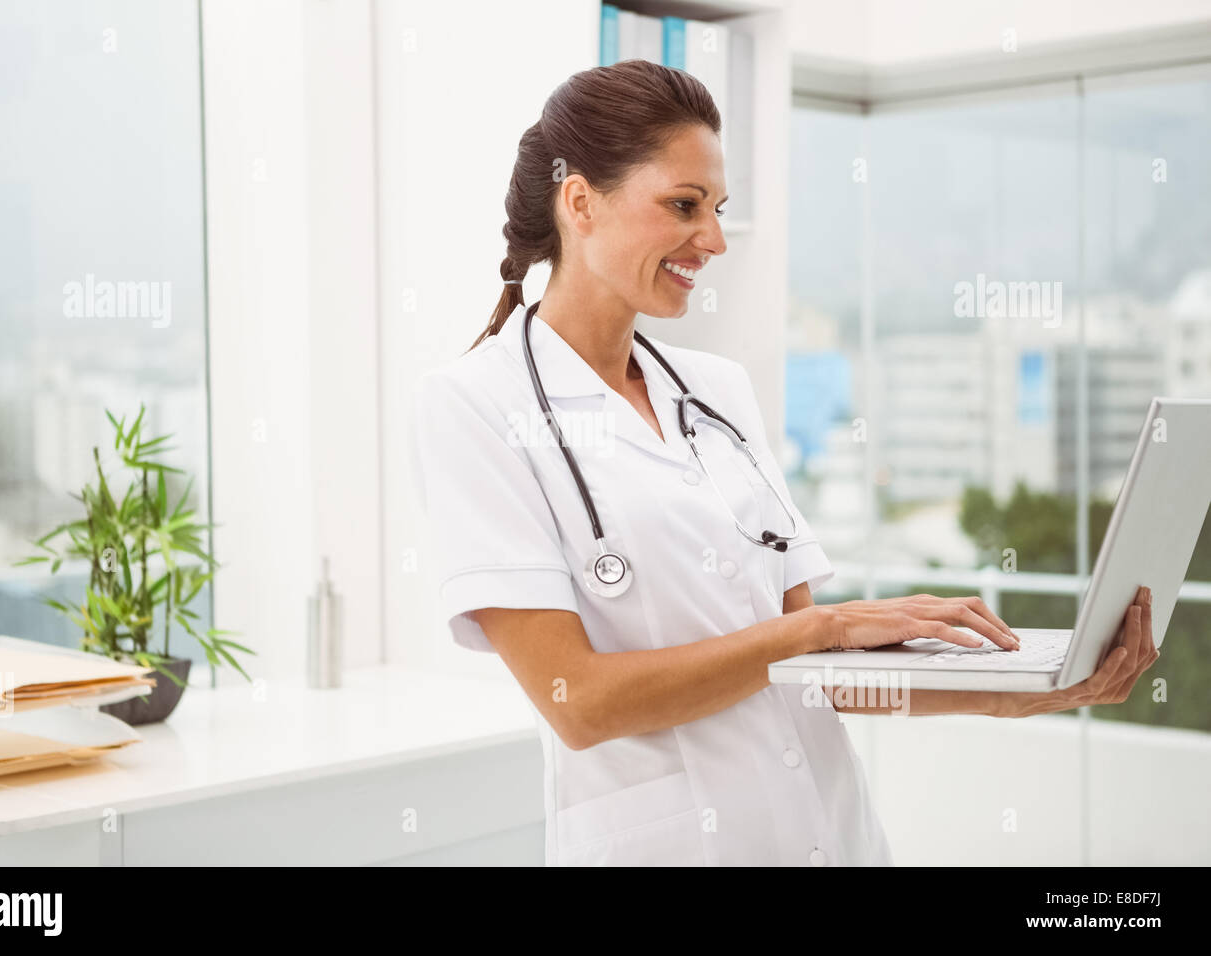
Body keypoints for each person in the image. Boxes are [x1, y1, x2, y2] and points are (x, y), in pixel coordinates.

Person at [409, 59, 1158, 866]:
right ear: (580, 200)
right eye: (683, 206)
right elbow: (580, 702)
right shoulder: (475, 405)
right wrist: (820, 627)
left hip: (829, 835)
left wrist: (1025, 694)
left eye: (719, 209)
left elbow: (820, 675)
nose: (715, 239)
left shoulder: (717, 391)